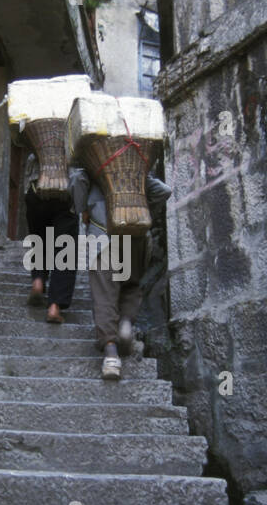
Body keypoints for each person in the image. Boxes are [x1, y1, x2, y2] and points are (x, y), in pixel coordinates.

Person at [71, 168, 171, 380]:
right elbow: (163, 191)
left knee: (104, 294)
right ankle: (125, 324)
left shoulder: (93, 164)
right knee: (131, 285)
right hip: (136, 236)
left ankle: (110, 355)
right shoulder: (135, 166)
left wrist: (83, 210)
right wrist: (145, 211)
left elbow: (79, 179)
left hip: (103, 235)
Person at [22, 151, 78, 324]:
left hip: (37, 189)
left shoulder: (39, 128)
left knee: (39, 239)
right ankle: (54, 306)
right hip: (65, 193)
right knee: (65, 251)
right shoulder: (71, 135)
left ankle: (38, 281)